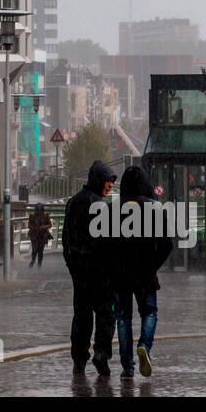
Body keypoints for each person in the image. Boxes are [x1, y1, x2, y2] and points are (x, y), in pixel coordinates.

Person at [112, 163, 173, 379]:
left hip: (120, 274)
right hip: (145, 272)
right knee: (149, 312)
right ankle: (144, 346)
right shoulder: (155, 208)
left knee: (122, 318)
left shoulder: (112, 209)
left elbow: (104, 243)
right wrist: (152, 264)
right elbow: (167, 243)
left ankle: (127, 368)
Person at [64, 160, 118, 376]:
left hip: (80, 273)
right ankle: (101, 354)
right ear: (98, 180)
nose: (110, 185)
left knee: (82, 316)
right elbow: (110, 243)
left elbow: (66, 238)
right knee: (106, 315)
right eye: (108, 180)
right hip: (101, 273)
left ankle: (79, 358)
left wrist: (72, 263)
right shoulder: (103, 207)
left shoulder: (74, 203)